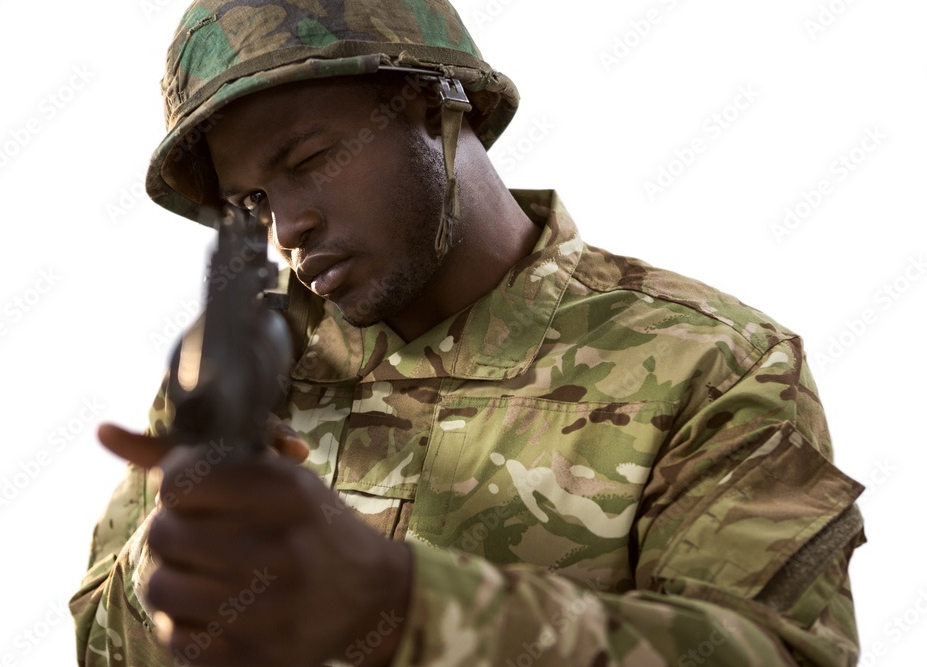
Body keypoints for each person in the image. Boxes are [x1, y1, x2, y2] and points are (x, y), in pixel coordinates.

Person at [70, 1, 866, 665]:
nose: (288, 225)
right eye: (250, 203)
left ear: (434, 103)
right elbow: (96, 646)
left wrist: (402, 603)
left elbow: (776, 652)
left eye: (311, 157)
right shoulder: (244, 371)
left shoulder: (710, 362)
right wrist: (170, 557)